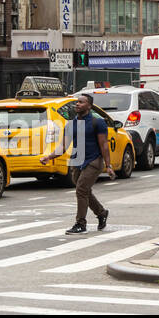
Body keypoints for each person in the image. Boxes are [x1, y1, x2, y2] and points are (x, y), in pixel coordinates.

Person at [40, 92, 114, 235]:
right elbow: (63, 146)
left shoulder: (97, 122)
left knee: (81, 189)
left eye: (81, 102)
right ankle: (101, 213)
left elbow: (104, 145)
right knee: (84, 191)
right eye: (77, 102)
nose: (77, 104)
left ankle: (80, 223)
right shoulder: (70, 124)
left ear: (89, 106)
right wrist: (49, 157)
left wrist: (108, 165)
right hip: (76, 161)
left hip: (93, 160)